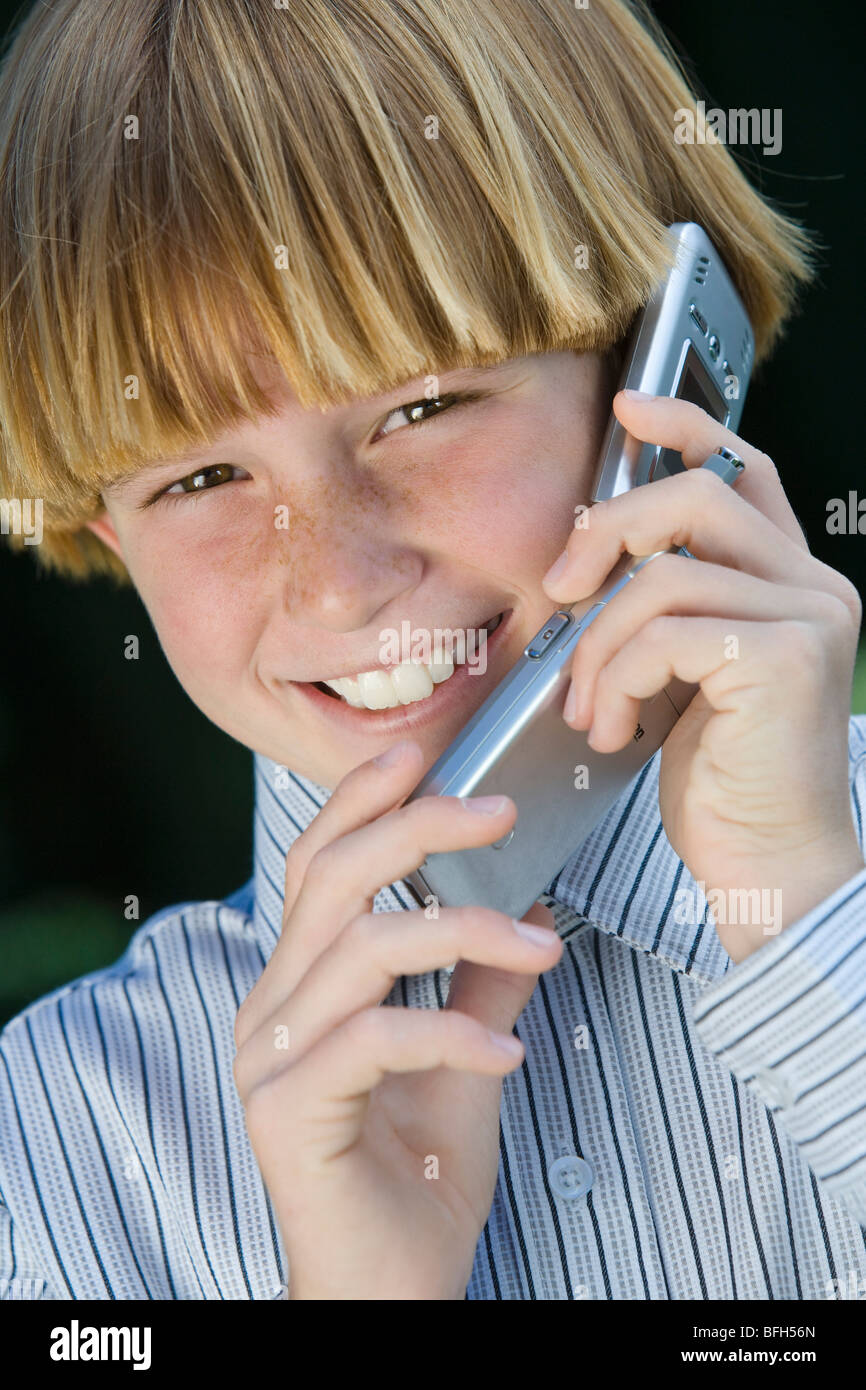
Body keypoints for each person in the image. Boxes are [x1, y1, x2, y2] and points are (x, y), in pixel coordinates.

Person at [0, 0, 863, 1301]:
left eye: (424, 404)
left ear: (665, 376)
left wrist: (810, 928)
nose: (340, 582)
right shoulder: (58, 1138)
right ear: (104, 534)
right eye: (198, 478)